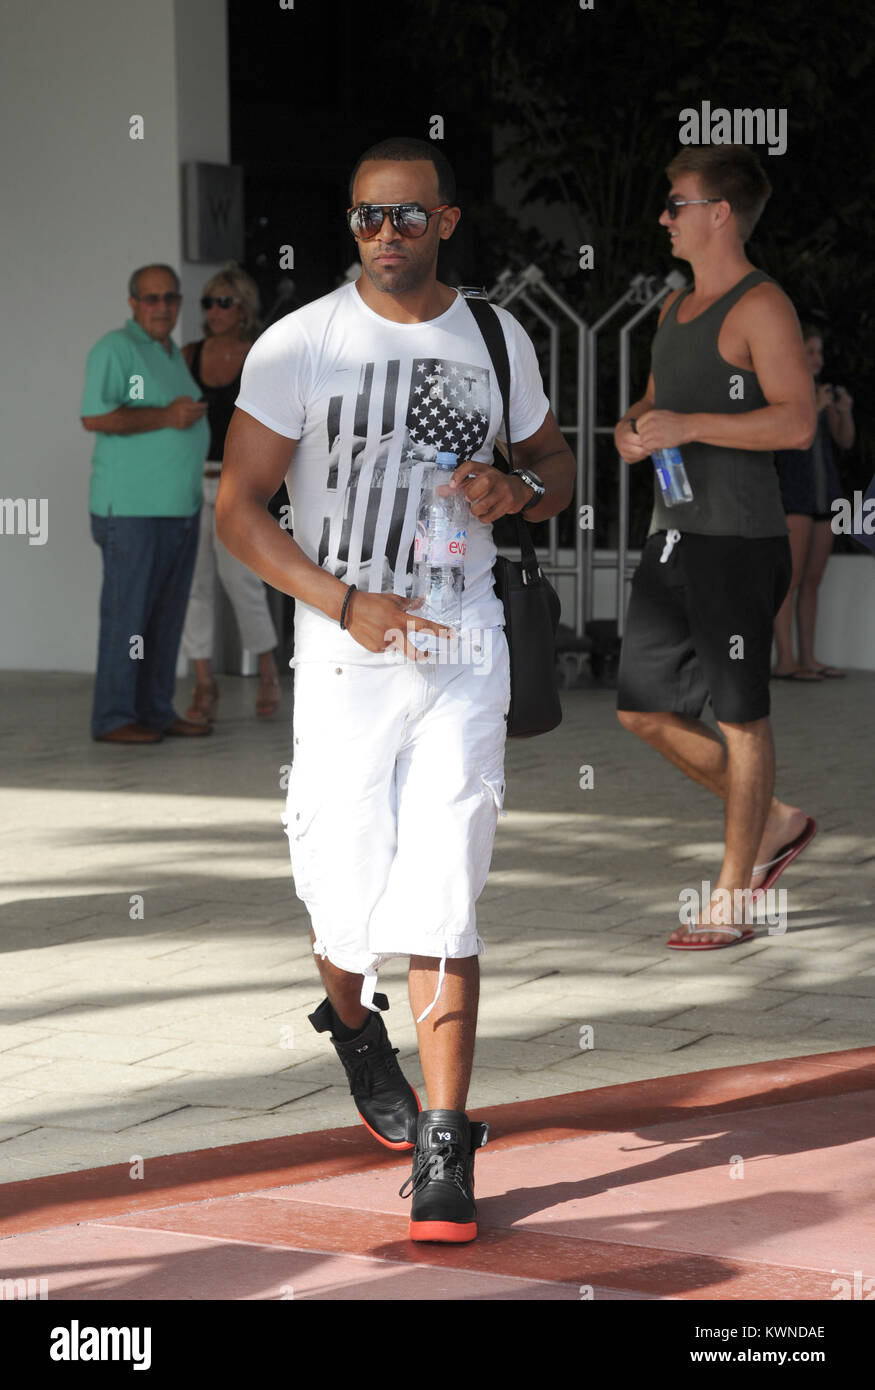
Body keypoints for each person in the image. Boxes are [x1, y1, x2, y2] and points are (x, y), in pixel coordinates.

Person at [217, 136, 574, 1241]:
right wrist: (340, 602)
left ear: (448, 223)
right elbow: (237, 511)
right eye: (367, 217)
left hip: (463, 641)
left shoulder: (496, 335)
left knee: (447, 871)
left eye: (406, 217)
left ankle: (443, 1142)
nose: (384, 236)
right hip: (343, 649)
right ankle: (351, 1021)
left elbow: (558, 470)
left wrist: (514, 487)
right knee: (338, 879)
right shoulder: (298, 343)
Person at [613, 145, 818, 951]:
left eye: (676, 204)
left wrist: (691, 427)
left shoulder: (761, 306)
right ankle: (772, 820)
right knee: (641, 710)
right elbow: (655, 402)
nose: (664, 217)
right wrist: (635, 429)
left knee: (741, 719)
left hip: (738, 538)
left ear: (719, 215)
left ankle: (733, 897)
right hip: (673, 535)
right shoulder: (675, 309)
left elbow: (796, 422)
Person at [81, 265, 212, 743]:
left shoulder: (168, 351)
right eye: (151, 298)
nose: (162, 307)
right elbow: (95, 416)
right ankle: (114, 718)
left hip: (178, 508)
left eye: (170, 298)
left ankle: (155, 711)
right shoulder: (115, 348)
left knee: (164, 618)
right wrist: (168, 416)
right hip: (132, 510)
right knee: (128, 619)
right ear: (134, 303)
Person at [180, 266, 281, 722]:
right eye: (208, 303)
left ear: (243, 308)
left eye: (224, 302)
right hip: (188, 480)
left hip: (235, 482)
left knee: (242, 582)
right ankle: (203, 682)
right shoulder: (187, 355)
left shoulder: (258, 356)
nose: (215, 311)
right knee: (193, 586)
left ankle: (267, 670)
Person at [772, 325, 855, 680]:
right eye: (810, 351)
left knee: (812, 580)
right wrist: (813, 407)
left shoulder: (820, 394)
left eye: (819, 352)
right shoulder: (783, 393)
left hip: (825, 496)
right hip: (794, 495)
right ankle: (785, 660)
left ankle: (809, 657)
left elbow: (846, 442)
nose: (817, 359)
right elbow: (785, 441)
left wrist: (843, 411)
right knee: (788, 579)